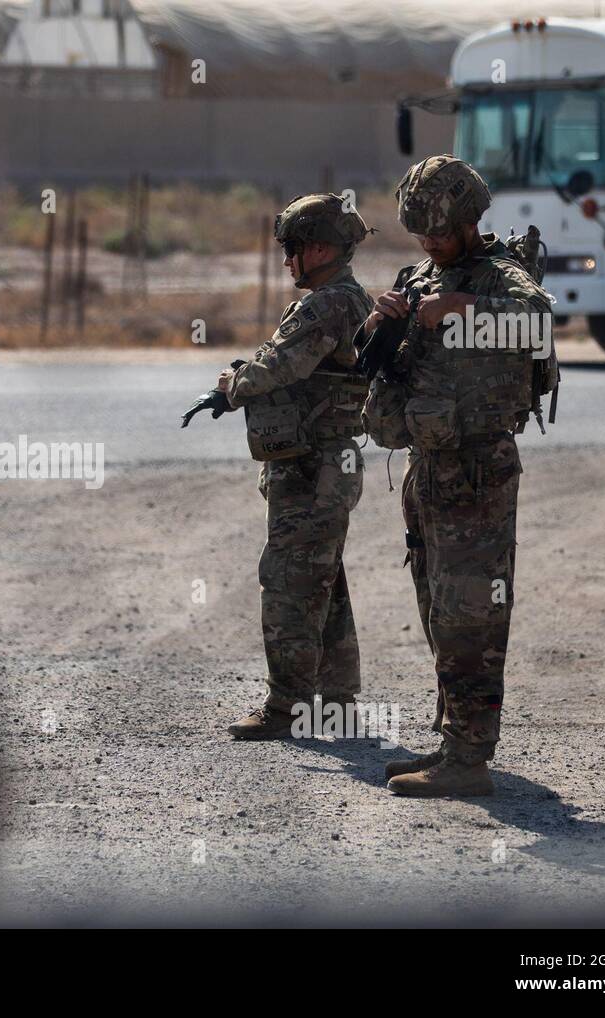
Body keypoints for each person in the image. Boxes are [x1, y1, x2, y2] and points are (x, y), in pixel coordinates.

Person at [362, 155, 552, 796]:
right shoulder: (421, 274)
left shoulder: (502, 280)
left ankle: (470, 760)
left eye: (441, 231)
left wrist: (458, 308)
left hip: (476, 470)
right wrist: (385, 322)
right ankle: (454, 739)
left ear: (471, 219)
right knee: (440, 610)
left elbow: (536, 324)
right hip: (429, 468)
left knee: (472, 614)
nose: (431, 243)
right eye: (422, 233)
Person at [222, 194, 374, 740]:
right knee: (323, 581)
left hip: (314, 467)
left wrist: (233, 385)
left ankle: (288, 707)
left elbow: (281, 364)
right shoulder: (345, 300)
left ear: (317, 247)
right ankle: (338, 706)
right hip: (323, 462)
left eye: (291, 250)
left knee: (289, 580)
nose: (287, 262)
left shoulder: (327, 304)